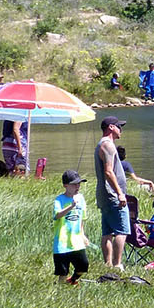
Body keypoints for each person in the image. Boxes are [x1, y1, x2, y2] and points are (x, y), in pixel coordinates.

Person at [95, 116, 131, 269]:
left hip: (105, 195)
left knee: (107, 231)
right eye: (118, 126)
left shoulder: (103, 145)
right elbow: (109, 172)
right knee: (121, 230)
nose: (120, 129)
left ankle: (107, 264)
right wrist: (120, 193)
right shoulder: (108, 146)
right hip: (112, 195)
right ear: (111, 127)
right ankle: (117, 265)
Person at [52, 169, 89, 285]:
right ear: (65, 185)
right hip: (62, 243)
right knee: (63, 271)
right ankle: (61, 289)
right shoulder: (59, 199)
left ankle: (72, 280)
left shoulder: (81, 198)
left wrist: (83, 235)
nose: (77, 186)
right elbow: (57, 215)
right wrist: (71, 206)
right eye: (74, 184)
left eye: (79, 184)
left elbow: (82, 218)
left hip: (77, 241)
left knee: (83, 265)